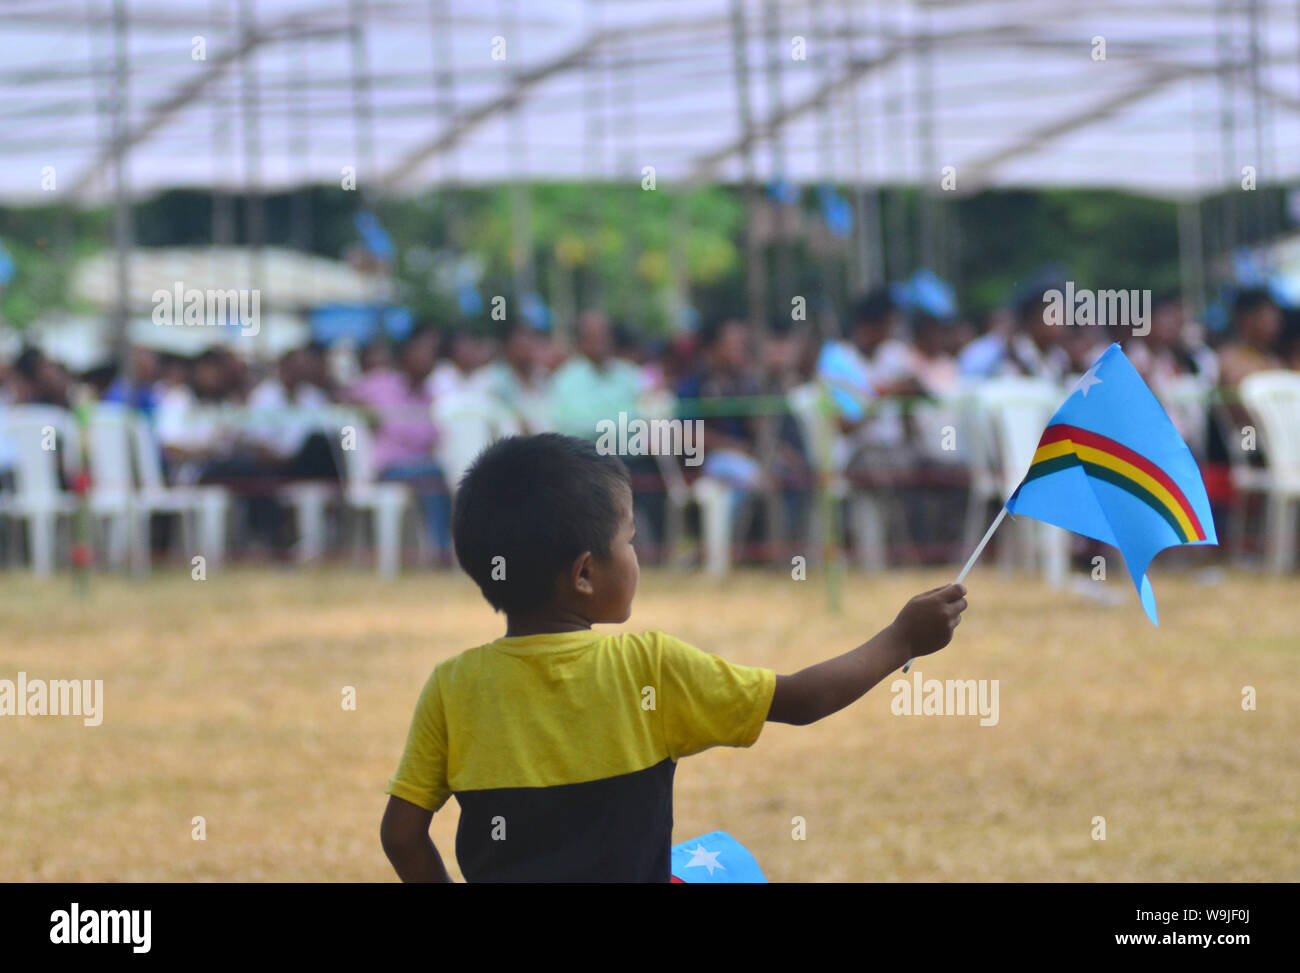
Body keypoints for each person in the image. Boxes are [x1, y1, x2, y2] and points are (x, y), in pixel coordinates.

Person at [379, 433, 968, 882]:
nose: (637, 554)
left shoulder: (453, 686)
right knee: (729, 866)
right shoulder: (647, 669)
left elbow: (402, 836)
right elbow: (804, 700)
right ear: (585, 573)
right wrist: (901, 639)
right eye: (629, 540)